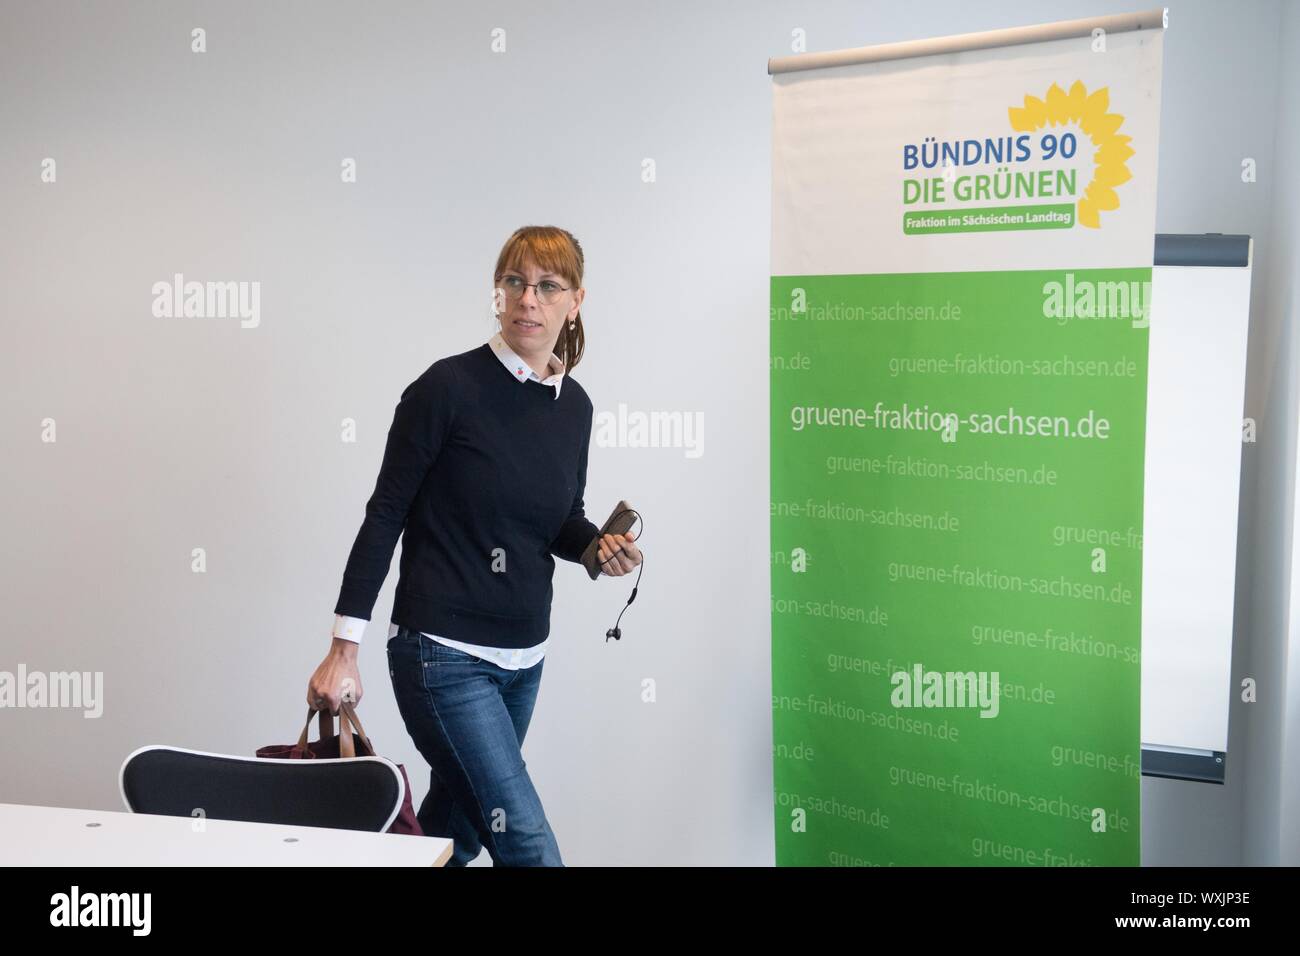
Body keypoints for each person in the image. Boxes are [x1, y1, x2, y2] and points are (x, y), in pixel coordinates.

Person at [307, 225, 642, 866]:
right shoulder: (447, 389)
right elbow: (385, 516)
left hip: (524, 659)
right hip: (441, 657)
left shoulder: (574, 407)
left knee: (451, 837)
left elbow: (560, 521)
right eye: (514, 282)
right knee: (529, 847)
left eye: (547, 287)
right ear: (498, 292)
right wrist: (342, 649)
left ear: (576, 302)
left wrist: (598, 548)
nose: (527, 301)